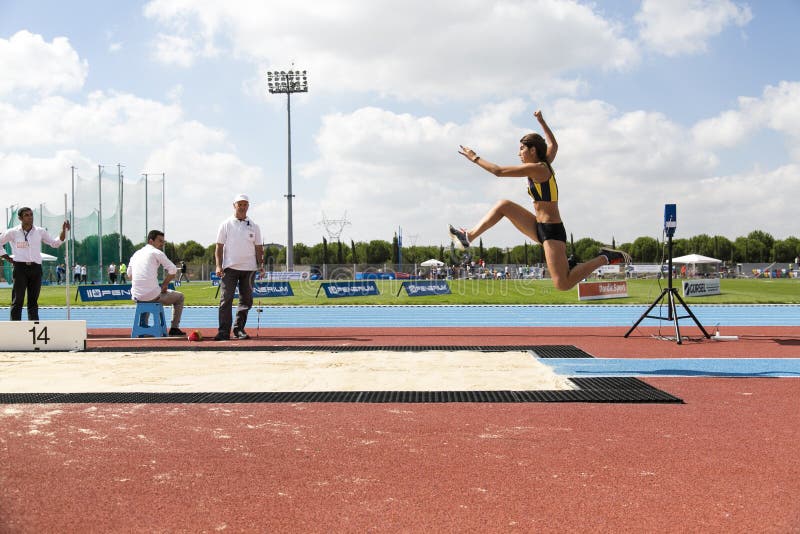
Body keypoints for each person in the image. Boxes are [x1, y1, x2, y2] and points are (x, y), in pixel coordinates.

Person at [449, 109, 630, 291]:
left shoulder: (539, 169)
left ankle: (605, 257)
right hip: (538, 225)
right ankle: (468, 237)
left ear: (533, 150)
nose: (519, 153)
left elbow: (499, 171)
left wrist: (475, 158)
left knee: (563, 284)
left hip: (551, 231)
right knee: (503, 205)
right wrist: (541, 121)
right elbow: (554, 145)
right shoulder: (544, 163)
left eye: (521, 149)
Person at [0, 206, 70, 320]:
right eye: (26, 215)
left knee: (33, 301)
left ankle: (34, 327)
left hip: (36, 268)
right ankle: (15, 327)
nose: (30, 217)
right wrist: (7, 257)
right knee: (18, 300)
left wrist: (64, 231)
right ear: (20, 218)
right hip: (20, 268)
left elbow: (55, 243)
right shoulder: (12, 232)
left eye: (31, 214)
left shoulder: (40, 231)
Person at [214, 194, 265, 340]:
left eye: (245, 204)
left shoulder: (255, 226)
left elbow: (259, 248)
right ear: (234, 205)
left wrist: (261, 265)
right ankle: (224, 331)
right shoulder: (225, 224)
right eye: (239, 204)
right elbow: (219, 247)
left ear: (248, 206)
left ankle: (239, 329)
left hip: (249, 269)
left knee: (247, 300)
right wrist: (218, 266)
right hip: (229, 268)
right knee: (226, 299)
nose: (242, 207)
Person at [127, 229, 186, 336]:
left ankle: (143, 326)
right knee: (180, 297)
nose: (162, 244)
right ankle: (174, 328)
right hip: (152, 295)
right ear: (151, 241)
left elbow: (129, 275)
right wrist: (164, 284)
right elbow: (173, 270)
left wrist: (142, 283)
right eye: (160, 241)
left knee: (146, 296)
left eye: (163, 241)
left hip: (136, 296)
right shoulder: (156, 252)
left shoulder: (136, 254)